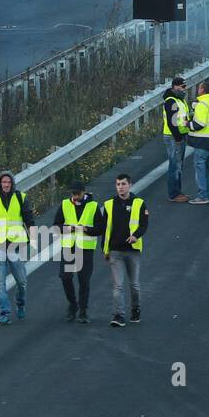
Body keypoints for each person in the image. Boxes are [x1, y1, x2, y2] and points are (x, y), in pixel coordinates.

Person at [91, 174, 148, 327]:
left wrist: (136, 236)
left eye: (123, 184)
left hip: (133, 250)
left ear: (130, 184)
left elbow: (144, 224)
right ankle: (119, 315)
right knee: (118, 285)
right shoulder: (109, 204)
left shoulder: (139, 203)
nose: (120, 187)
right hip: (115, 251)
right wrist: (105, 249)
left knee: (134, 285)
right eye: (118, 184)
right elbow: (105, 229)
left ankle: (135, 309)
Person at [0, 172, 34, 324]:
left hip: (16, 246)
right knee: (0, 284)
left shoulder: (20, 198)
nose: (6, 185)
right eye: (3, 182)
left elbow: (29, 219)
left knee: (21, 281)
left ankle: (20, 303)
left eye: (8, 182)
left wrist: (34, 240)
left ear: (12, 184)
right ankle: (4, 313)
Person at [56, 180, 97, 323]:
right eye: (73, 193)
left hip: (85, 248)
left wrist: (86, 229)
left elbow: (100, 228)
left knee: (84, 280)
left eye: (77, 193)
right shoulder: (65, 204)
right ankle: (73, 304)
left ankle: (83, 310)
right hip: (69, 246)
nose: (75, 196)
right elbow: (56, 226)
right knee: (65, 277)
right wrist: (70, 228)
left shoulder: (93, 206)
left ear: (84, 192)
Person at [186, 82, 209, 204]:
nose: (198, 89)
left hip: (202, 142)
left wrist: (187, 124)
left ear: (202, 90)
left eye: (199, 87)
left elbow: (199, 124)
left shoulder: (202, 105)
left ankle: (202, 196)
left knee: (200, 169)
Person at [161, 76, 189, 202]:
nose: (185, 89)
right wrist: (178, 137)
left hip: (179, 135)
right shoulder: (171, 101)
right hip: (173, 137)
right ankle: (174, 194)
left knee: (178, 165)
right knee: (175, 165)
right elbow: (173, 122)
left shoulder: (179, 100)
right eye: (183, 87)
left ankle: (178, 192)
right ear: (175, 86)